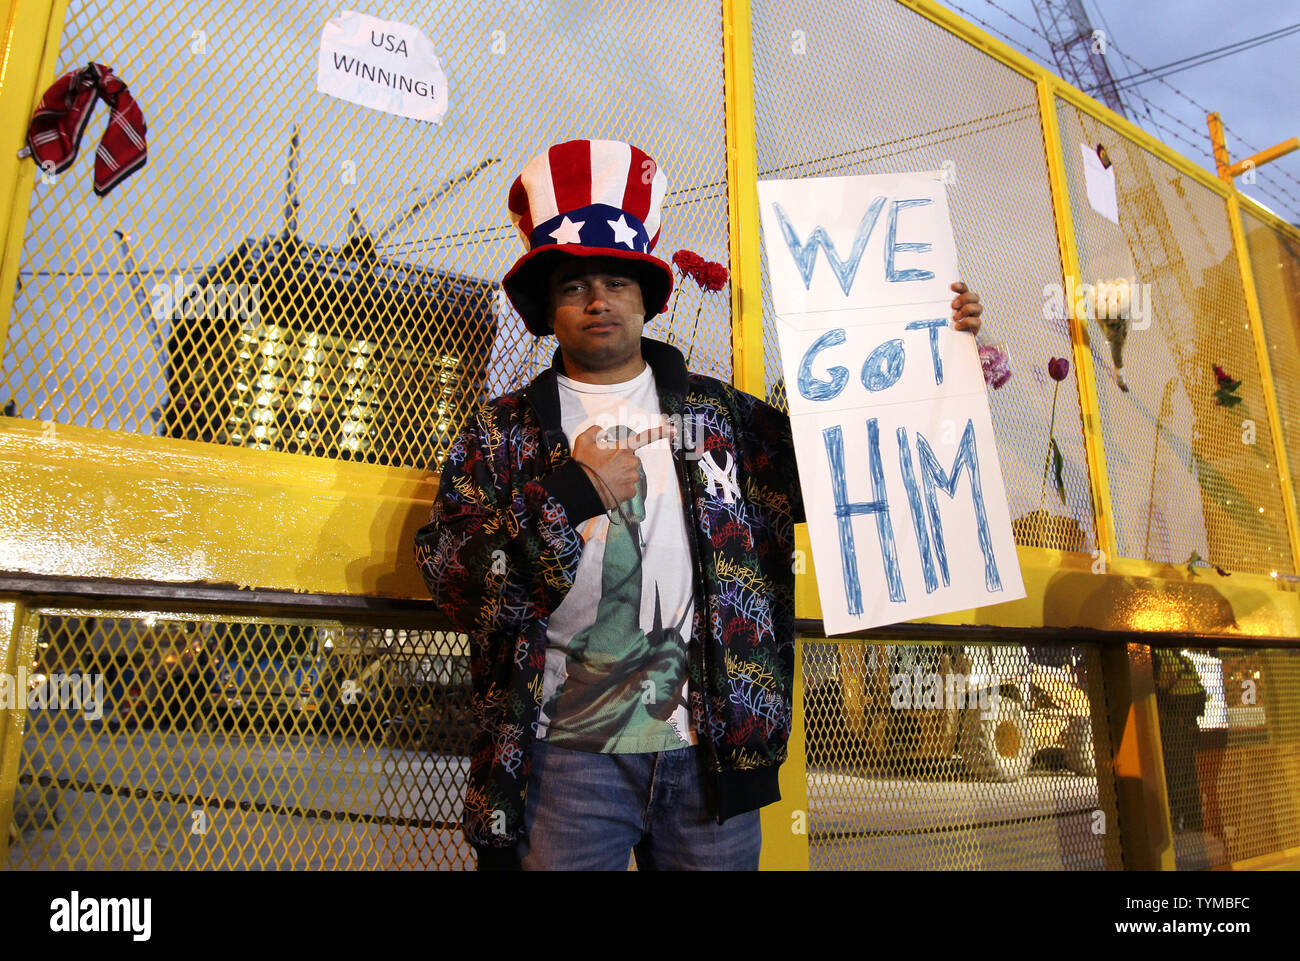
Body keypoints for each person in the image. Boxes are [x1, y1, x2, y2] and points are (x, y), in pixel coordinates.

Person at [414, 139, 983, 870]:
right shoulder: (500, 433)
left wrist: (938, 349)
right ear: (544, 307)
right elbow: (456, 583)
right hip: (565, 757)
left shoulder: (724, 418)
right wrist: (572, 494)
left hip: (712, 758)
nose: (597, 299)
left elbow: (851, 460)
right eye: (574, 285)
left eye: (618, 281)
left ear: (647, 297)